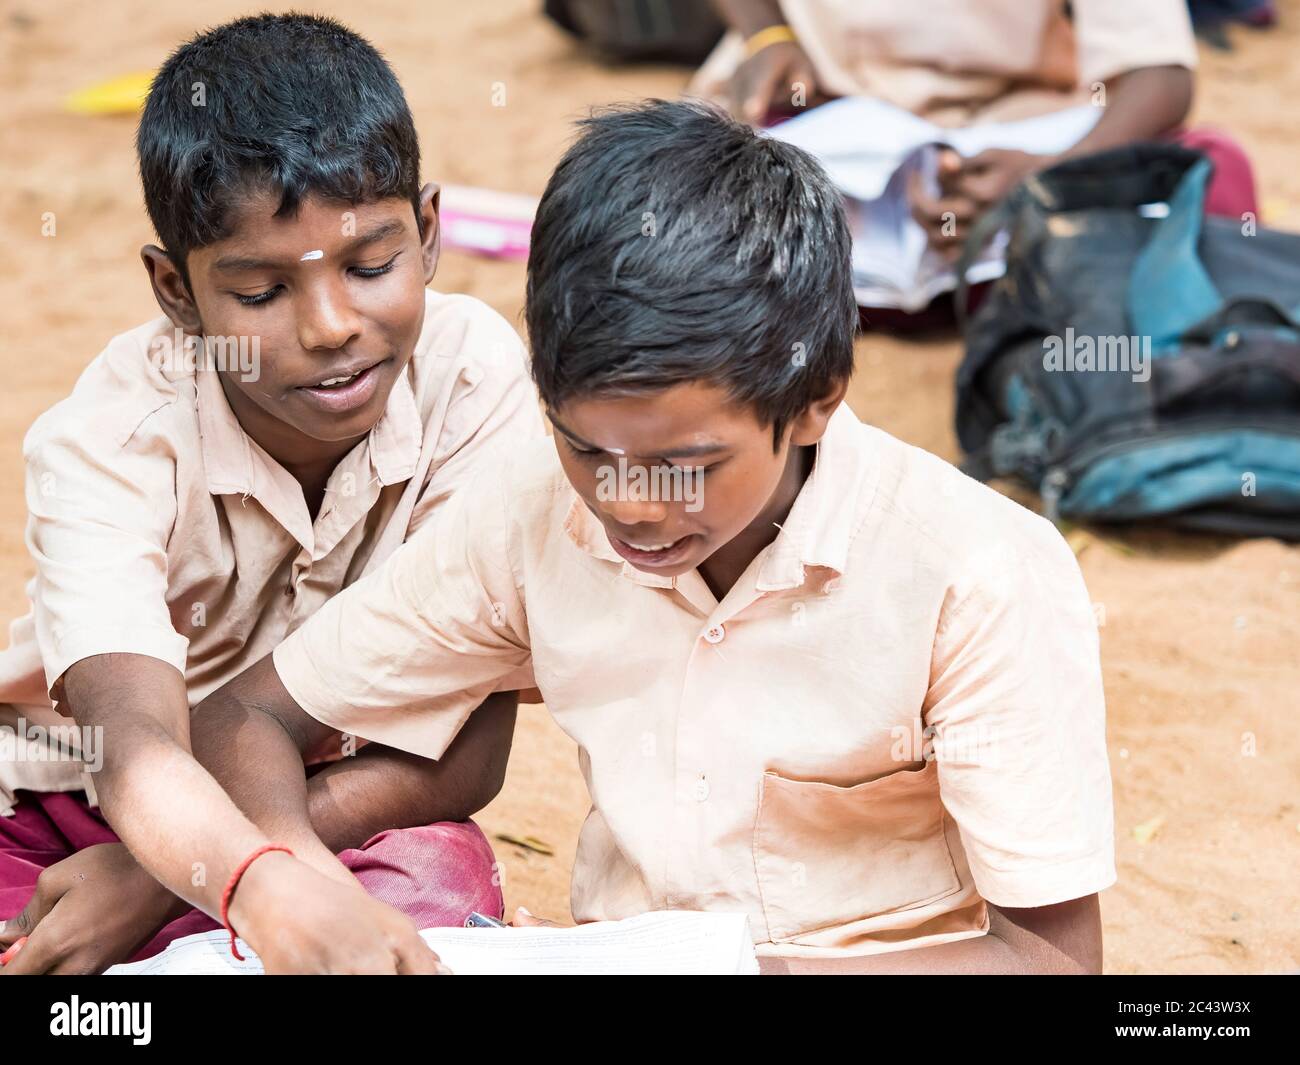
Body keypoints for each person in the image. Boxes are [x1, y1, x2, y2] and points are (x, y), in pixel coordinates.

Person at [176, 100, 1117, 974]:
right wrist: (292, 878)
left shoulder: (977, 573)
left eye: (689, 465)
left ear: (816, 400)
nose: (629, 503)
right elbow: (247, 716)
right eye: (584, 445)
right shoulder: (537, 508)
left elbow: (1051, 961)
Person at [0, 13, 544, 975]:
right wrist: (243, 877)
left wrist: (187, 875)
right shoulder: (112, 438)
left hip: (341, 807)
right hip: (63, 802)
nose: (332, 326)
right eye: (258, 293)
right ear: (176, 291)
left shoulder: (475, 385)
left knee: (437, 888)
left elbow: (472, 746)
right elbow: (130, 742)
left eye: (371, 265)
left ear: (428, 232)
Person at [694, 0, 1254, 260]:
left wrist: (1051, 178)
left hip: (1016, 132)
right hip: (827, 126)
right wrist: (769, 37)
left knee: (1212, 172)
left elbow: (1160, 73)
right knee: (675, 198)